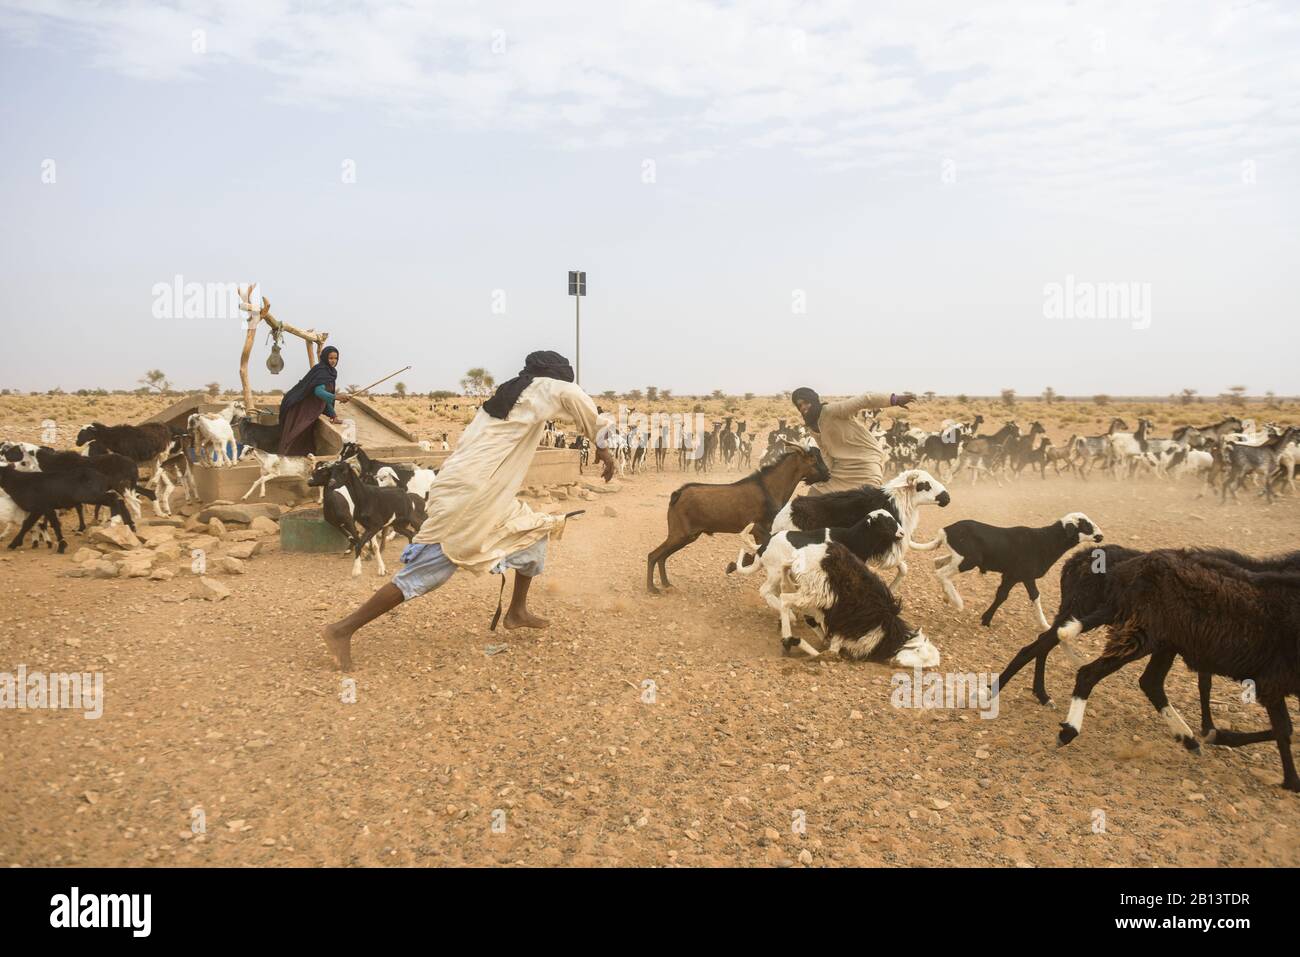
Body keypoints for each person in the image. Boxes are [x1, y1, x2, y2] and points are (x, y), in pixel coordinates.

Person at [322, 350, 615, 670]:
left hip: (477, 491)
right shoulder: (549, 387)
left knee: (533, 531)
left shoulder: (509, 397)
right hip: (469, 498)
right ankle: (342, 629)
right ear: (556, 376)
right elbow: (581, 404)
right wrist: (603, 449)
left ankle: (517, 611)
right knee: (425, 575)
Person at [790, 386, 916, 492]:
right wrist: (825, 474)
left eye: (806, 402)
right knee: (816, 491)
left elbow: (866, 400)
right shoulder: (812, 426)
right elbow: (825, 451)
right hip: (842, 468)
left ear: (813, 400)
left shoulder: (831, 411)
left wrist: (894, 399)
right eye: (799, 405)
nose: (803, 407)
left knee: (868, 502)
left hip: (866, 462)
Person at [277, 346, 350, 455]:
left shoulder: (331, 372)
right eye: (331, 358)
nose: (333, 361)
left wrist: (333, 416)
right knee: (295, 434)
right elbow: (319, 392)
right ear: (325, 358)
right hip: (301, 408)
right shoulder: (321, 371)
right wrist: (337, 397)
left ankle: (298, 460)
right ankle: (283, 459)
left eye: (336, 358)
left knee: (304, 436)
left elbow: (325, 397)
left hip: (311, 410)